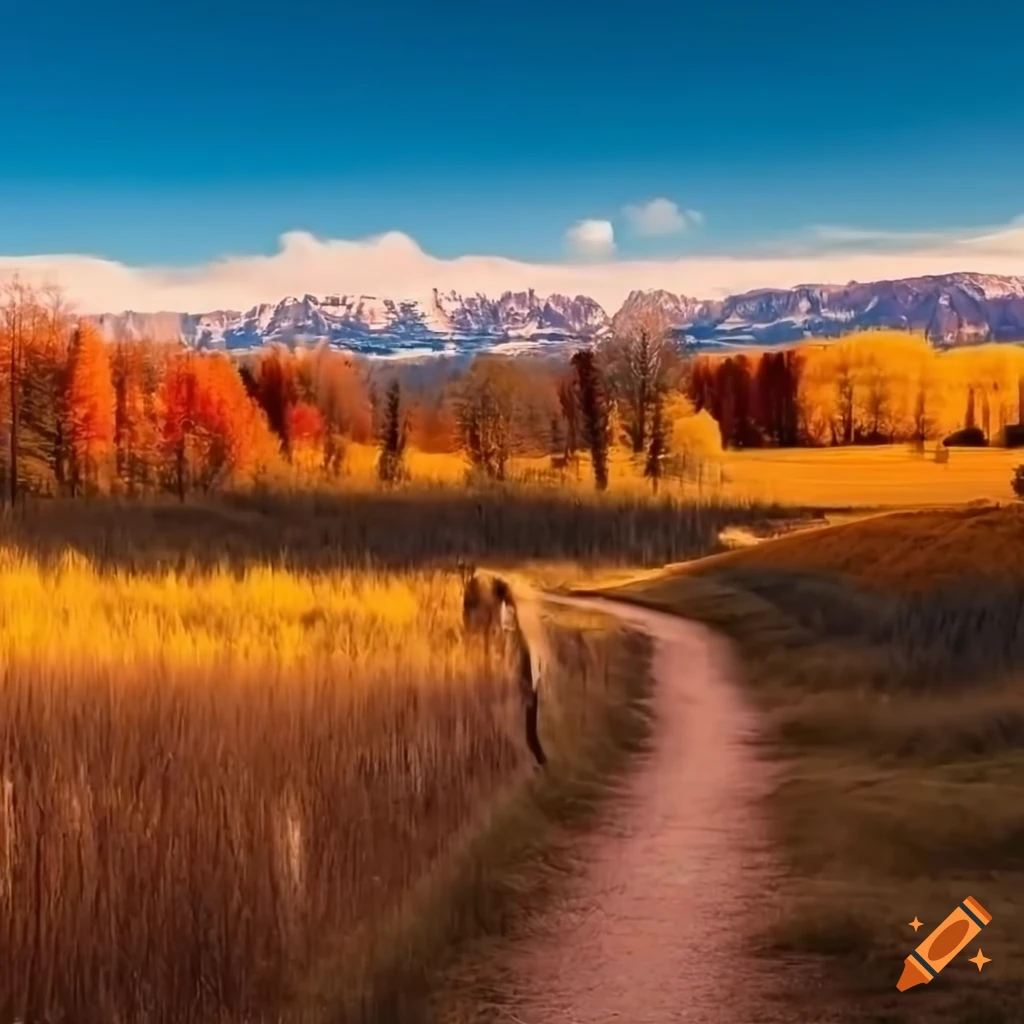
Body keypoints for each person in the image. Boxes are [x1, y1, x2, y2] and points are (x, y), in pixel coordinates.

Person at [462, 571, 547, 767]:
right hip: (524, 673)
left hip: (523, 673)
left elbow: (512, 647)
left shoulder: (510, 619)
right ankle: (540, 767)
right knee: (528, 734)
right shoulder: (511, 616)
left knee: (528, 734)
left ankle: (540, 767)